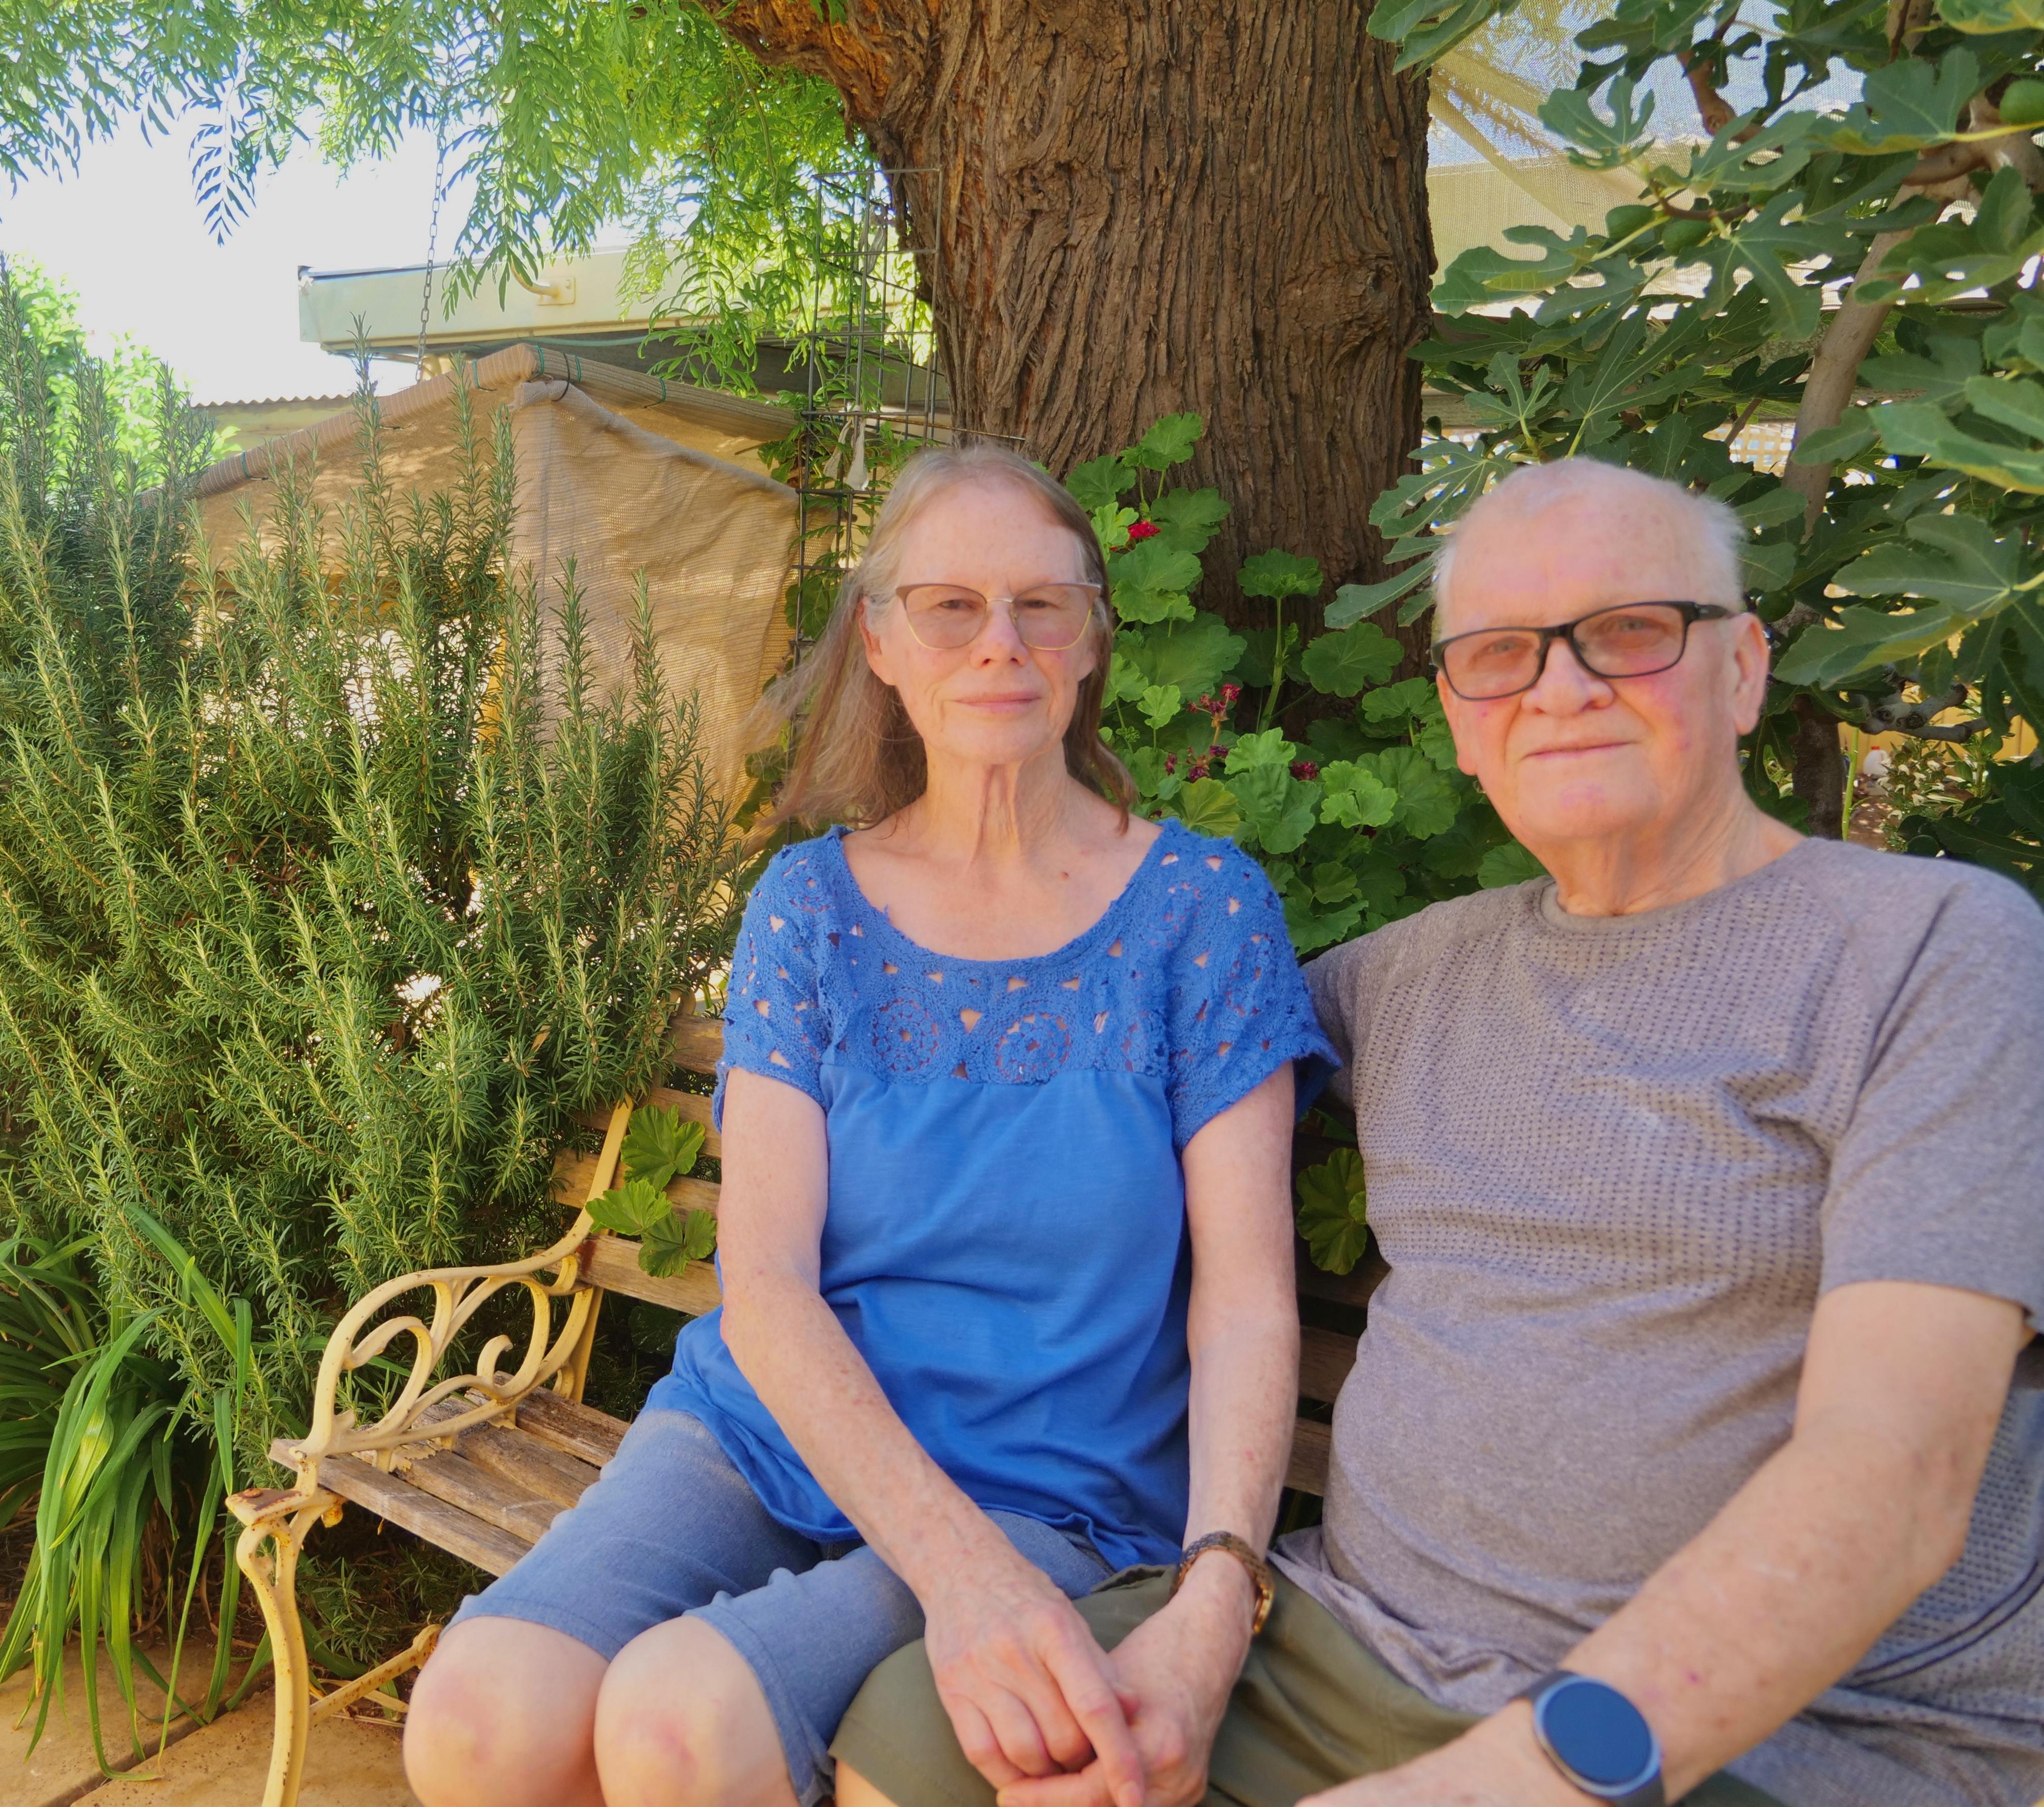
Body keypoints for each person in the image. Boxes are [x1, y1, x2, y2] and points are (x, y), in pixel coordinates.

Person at [832, 457, 2044, 1807]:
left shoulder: (1935, 951)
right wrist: (1203, 1616)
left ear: (1745, 667)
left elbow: (1897, 1472)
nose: (1564, 689)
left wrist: (1489, 1789)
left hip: (1778, 1733)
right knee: (924, 1743)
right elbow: (1124, 1071)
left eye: (1633, 633)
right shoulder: (1408, 977)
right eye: (1502, 656)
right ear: (1461, 723)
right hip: (1350, 1653)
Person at [400, 444, 1335, 1807]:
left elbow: (1249, 1298)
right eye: (950, 607)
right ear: (886, 643)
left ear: (1091, 640)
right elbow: (766, 1283)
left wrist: (1215, 1580)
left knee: (681, 1725)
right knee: (480, 1723)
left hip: (1047, 1482)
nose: (998, 644)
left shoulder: (1203, 909)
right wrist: (956, 1582)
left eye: (1041, 606)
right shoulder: (812, 908)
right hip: (770, 1426)